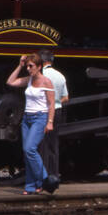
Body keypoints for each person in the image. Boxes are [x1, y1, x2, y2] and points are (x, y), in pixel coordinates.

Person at [5, 53, 54, 195]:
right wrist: (19, 65)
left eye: (30, 66)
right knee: (27, 153)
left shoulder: (46, 82)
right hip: (27, 119)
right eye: (27, 66)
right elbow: (10, 82)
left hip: (40, 118)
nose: (28, 68)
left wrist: (49, 122)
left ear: (39, 67)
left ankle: (45, 180)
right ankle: (31, 186)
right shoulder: (29, 80)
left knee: (29, 149)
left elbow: (51, 104)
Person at [38, 50, 68, 182]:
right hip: (57, 111)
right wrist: (55, 102)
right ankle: (54, 175)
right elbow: (66, 97)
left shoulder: (41, 75)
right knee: (53, 144)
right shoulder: (60, 76)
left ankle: (43, 176)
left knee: (42, 145)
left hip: (44, 111)